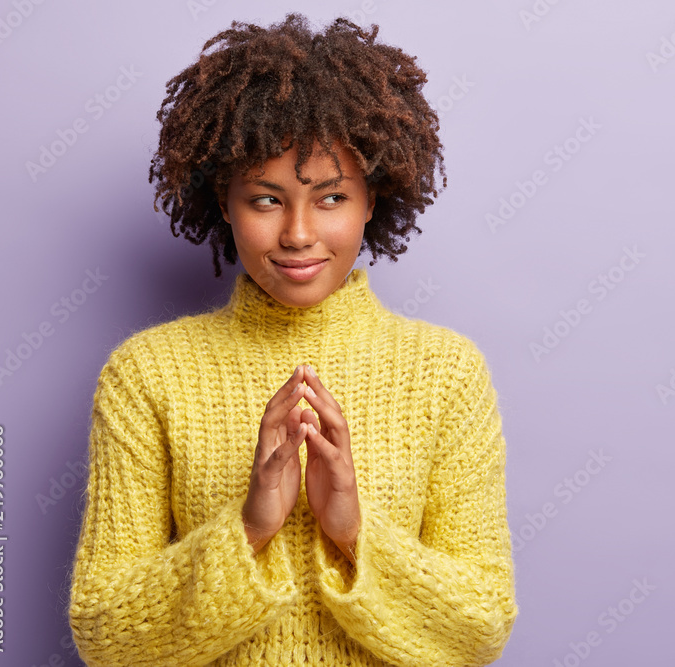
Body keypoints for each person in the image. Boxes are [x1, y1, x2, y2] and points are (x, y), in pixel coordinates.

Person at [66, 13, 517, 666]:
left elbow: (482, 629)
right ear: (224, 200)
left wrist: (355, 531)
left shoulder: (447, 372)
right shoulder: (146, 375)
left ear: (373, 198)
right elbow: (106, 636)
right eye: (266, 199)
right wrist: (248, 527)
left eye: (331, 197)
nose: (299, 233)